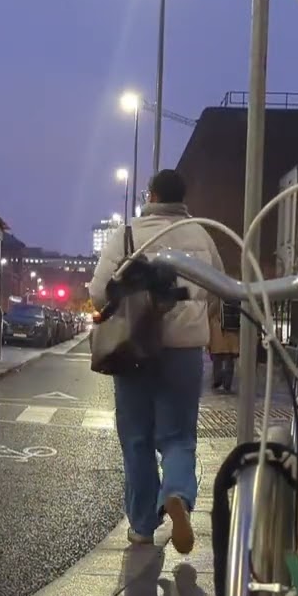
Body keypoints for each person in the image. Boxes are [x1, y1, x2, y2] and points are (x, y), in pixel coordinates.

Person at [89, 169, 224, 554]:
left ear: (151, 196)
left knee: (137, 438)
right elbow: (218, 291)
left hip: (134, 347)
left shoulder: (128, 234)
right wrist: (198, 316)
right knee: (179, 436)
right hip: (184, 352)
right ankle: (177, 493)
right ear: (183, 199)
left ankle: (142, 525)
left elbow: (99, 293)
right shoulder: (201, 235)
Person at [208, 302, 239, 393]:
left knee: (217, 361)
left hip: (218, 336)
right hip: (231, 336)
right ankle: (227, 384)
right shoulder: (234, 301)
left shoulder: (215, 303)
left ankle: (217, 381)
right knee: (229, 361)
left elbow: (208, 315)